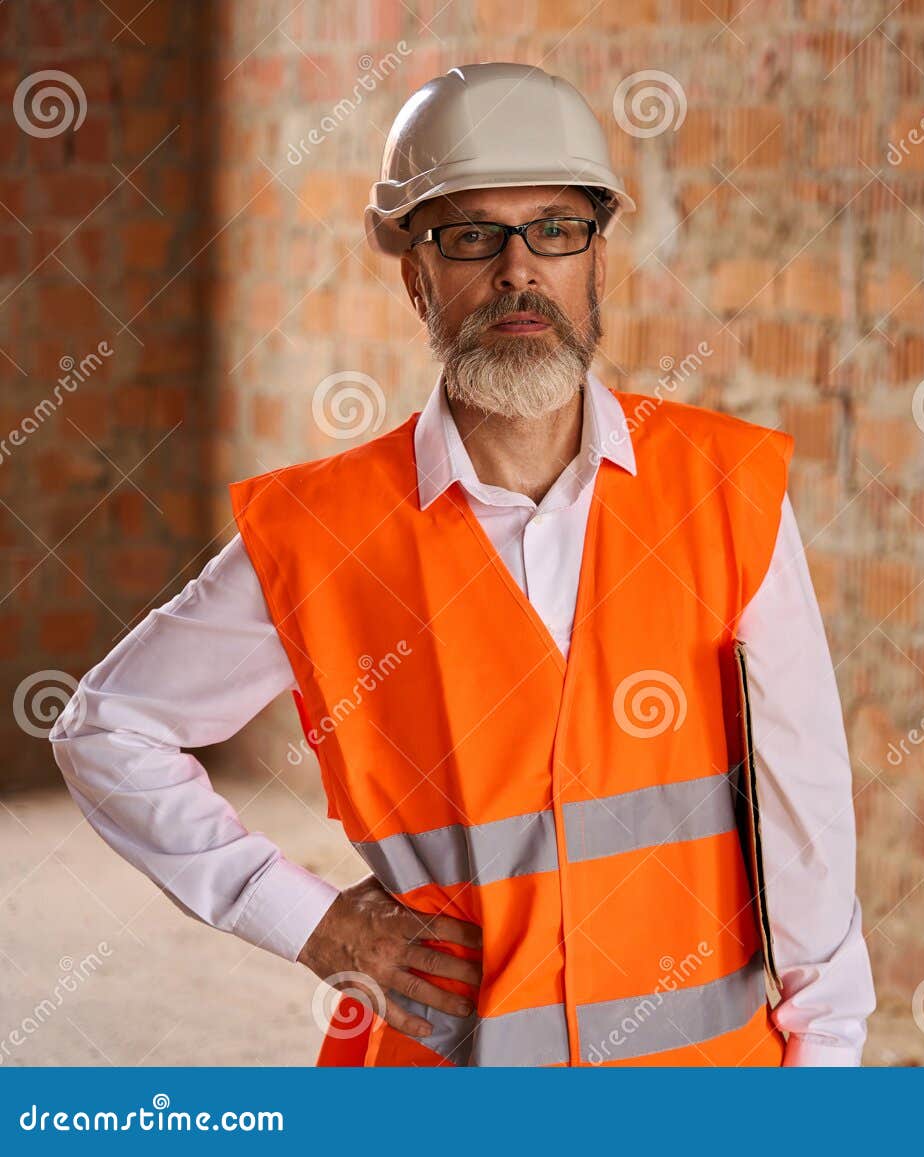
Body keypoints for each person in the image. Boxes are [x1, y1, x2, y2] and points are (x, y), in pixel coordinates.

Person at [49, 61, 873, 1067]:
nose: (518, 271)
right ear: (414, 273)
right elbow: (108, 727)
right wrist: (308, 920)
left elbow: (806, 807)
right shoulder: (323, 528)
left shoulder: (725, 486)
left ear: (594, 262)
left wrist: (826, 1061)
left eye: (555, 228)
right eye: (471, 235)